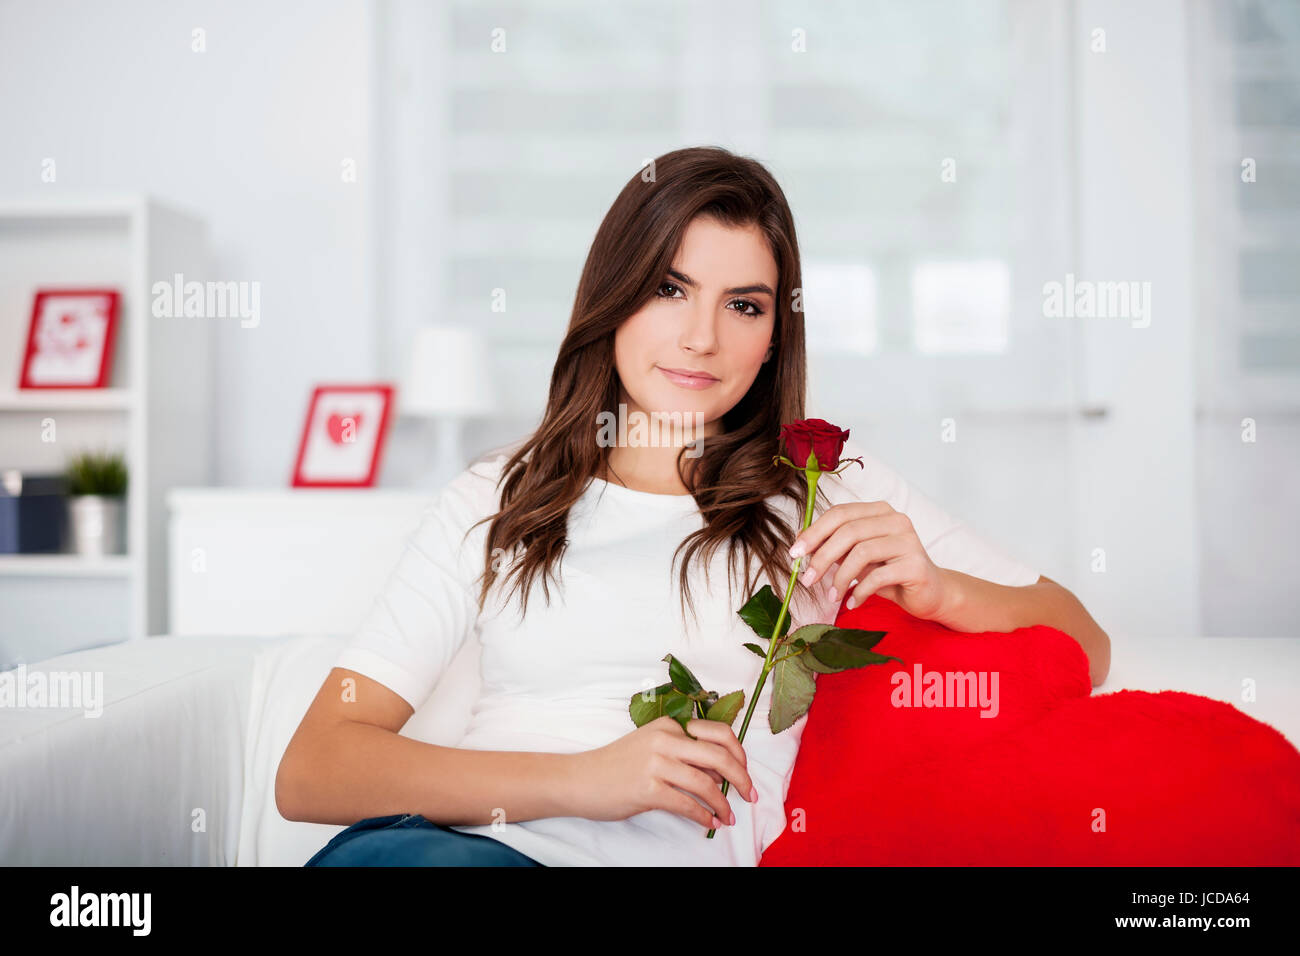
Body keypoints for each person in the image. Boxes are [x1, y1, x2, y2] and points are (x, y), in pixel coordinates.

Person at [278, 145, 1109, 867]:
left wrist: (941, 590)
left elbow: (1085, 644)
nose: (701, 337)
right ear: (615, 296)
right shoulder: (499, 497)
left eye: (742, 304)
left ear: (774, 335)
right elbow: (316, 767)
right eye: (671, 290)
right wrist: (589, 780)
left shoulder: (826, 488)